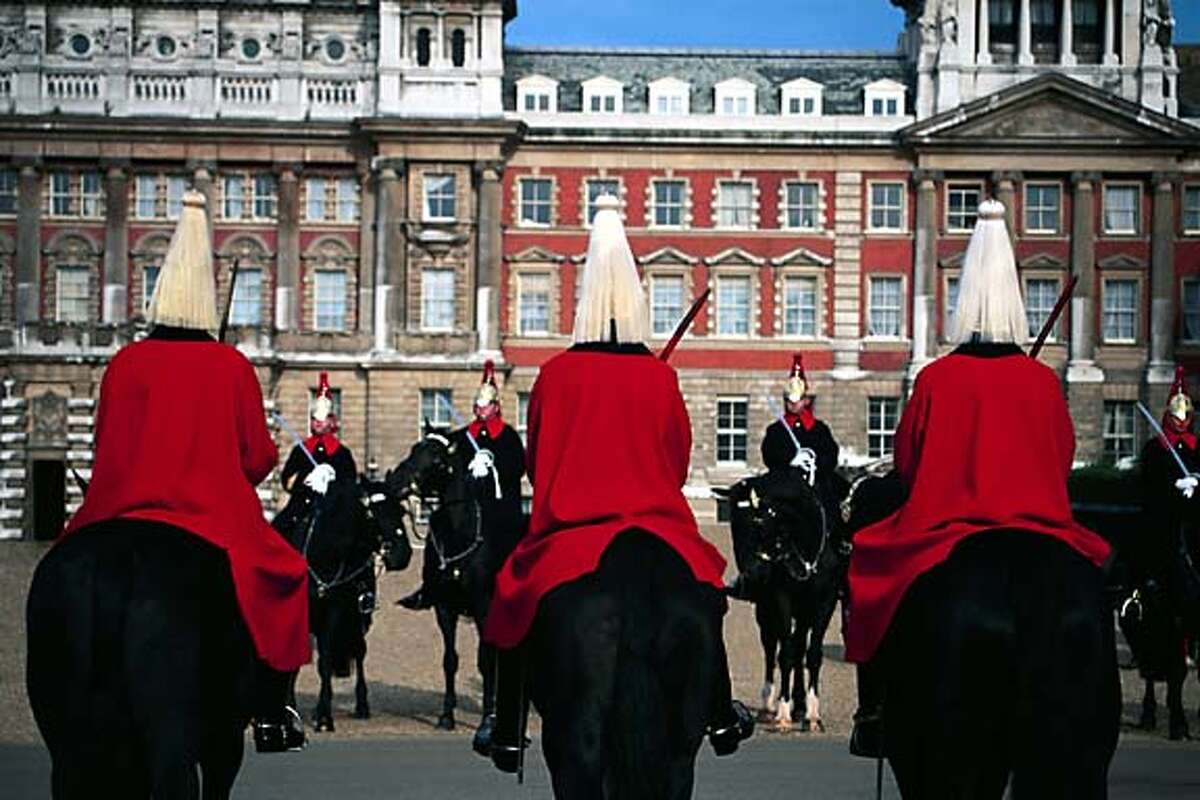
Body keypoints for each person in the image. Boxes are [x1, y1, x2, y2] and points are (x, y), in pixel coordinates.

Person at [481, 194, 753, 773]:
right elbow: (676, 463)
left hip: (573, 534)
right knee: (704, 590)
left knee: (511, 593)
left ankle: (506, 725)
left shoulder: (556, 375)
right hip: (655, 527)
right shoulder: (657, 378)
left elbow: (538, 463)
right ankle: (721, 711)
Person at [843, 198, 1112, 757]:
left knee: (870, 564)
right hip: (1041, 531)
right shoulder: (1042, 382)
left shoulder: (936, 379)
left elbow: (909, 464)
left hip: (947, 532)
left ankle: (876, 710)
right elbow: (1061, 461)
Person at [60, 191, 308, 753]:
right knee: (289, 576)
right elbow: (257, 461)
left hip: (116, 514)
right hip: (208, 521)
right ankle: (274, 712)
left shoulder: (125, 362)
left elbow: (105, 447)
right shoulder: (231, 366)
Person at [396, 360, 526, 611]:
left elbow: (517, 467)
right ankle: (429, 585)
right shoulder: (461, 437)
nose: (480, 410)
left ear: (496, 407)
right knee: (438, 525)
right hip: (466, 504)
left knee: (511, 534)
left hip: (496, 505)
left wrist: (492, 467)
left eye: (485, 405)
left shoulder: (507, 437)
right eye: (477, 405)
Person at [726, 353, 842, 600]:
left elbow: (831, 456)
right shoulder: (776, 430)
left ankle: (842, 571)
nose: (793, 405)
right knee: (759, 518)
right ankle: (751, 574)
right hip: (784, 486)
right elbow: (769, 455)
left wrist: (815, 462)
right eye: (789, 401)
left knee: (835, 514)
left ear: (806, 401)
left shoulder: (819, 430)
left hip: (814, 485)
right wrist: (790, 459)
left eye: (796, 401)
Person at [1132, 366, 1199, 725]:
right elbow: (1147, 490)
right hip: (1162, 530)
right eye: (1177, 415)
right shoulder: (1155, 450)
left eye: (1186, 415)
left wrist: (1196, 484)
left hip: (1192, 525)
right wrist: (1172, 487)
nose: (1181, 421)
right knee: (1148, 575)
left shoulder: (1196, 450)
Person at [272, 372, 358, 541]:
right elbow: (287, 478)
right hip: (302, 505)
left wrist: (329, 484)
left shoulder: (342, 453)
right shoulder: (301, 450)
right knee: (277, 530)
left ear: (331, 422)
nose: (318, 422)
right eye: (314, 418)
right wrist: (306, 479)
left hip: (332, 508)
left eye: (323, 419)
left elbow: (349, 483)